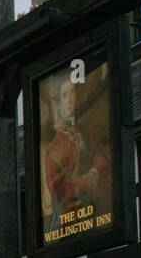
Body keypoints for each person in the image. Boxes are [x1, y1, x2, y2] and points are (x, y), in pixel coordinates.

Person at [43, 77, 109, 235]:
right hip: (68, 219)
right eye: (65, 94)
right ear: (58, 103)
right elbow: (57, 189)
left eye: (73, 92)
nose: (71, 98)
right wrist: (83, 183)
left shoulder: (84, 133)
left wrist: (96, 171)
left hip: (92, 211)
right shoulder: (54, 146)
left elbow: (101, 160)